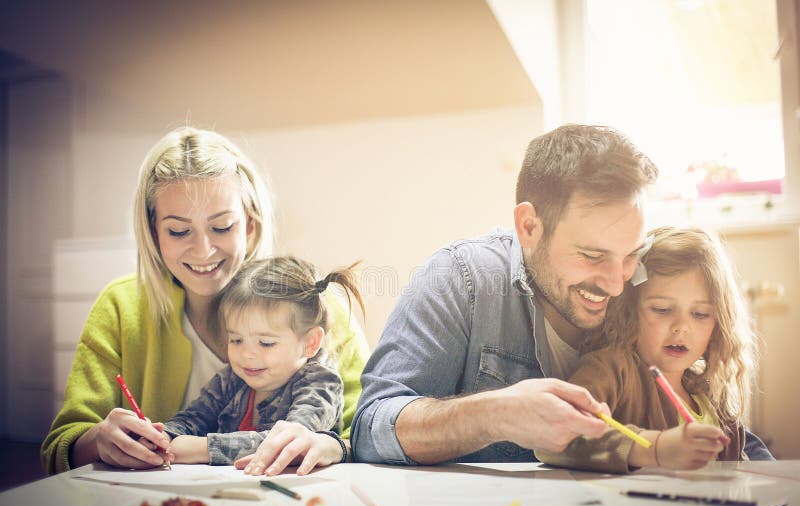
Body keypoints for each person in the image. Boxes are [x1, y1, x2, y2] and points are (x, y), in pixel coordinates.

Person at [41, 127, 369, 475]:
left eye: (223, 227)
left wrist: (331, 444)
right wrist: (99, 441)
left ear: (250, 226)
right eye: (179, 231)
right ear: (154, 235)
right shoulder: (120, 307)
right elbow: (60, 446)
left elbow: (372, 429)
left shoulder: (314, 304)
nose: (203, 251)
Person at [352, 124, 656, 464]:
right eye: (592, 256)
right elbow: (370, 428)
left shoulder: (649, 290)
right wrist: (495, 415)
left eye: (632, 254)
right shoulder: (459, 278)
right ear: (529, 226)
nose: (617, 284)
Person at [536, 226, 766, 473]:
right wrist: (655, 449)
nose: (681, 327)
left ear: (718, 323)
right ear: (628, 310)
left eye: (700, 314)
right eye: (662, 310)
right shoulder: (613, 370)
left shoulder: (714, 397)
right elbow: (553, 436)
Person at [151, 256, 364, 474]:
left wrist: (205, 448)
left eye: (266, 343)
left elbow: (290, 442)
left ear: (310, 343)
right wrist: (162, 437)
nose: (247, 354)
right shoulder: (234, 377)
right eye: (236, 340)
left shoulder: (320, 382)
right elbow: (193, 418)